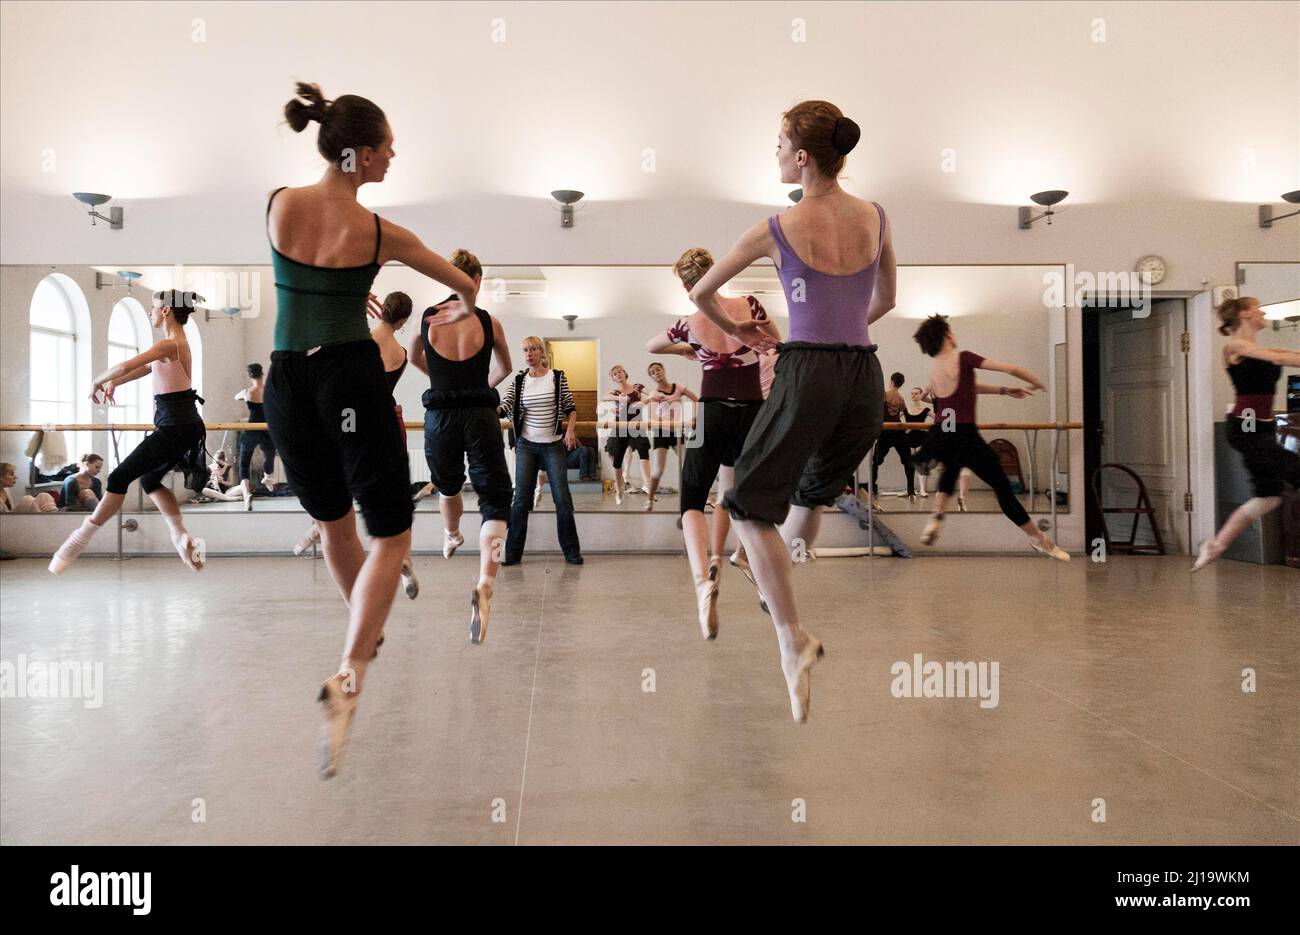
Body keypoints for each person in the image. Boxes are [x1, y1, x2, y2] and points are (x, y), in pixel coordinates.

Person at [266, 82, 479, 778]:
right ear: (358, 154)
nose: (394, 154)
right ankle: (352, 668)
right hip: (350, 381)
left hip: (286, 383)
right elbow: (463, 286)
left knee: (334, 524)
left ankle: (365, 632)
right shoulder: (381, 232)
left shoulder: (280, 205)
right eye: (386, 145)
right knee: (391, 532)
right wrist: (454, 307)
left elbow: (309, 275)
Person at [686, 100, 895, 722]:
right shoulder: (877, 216)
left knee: (745, 504)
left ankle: (791, 635)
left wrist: (746, 334)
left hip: (806, 372)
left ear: (801, 156)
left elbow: (700, 292)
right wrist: (843, 332)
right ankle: (773, 575)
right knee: (809, 497)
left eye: (778, 143)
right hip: (864, 377)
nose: (774, 153)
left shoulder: (776, 227)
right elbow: (887, 298)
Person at [650, 246, 778, 638]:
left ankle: (702, 579)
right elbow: (776, 343)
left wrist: (686, 348)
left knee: (691, 498)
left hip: (710, 413)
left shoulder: (690, 321)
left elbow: (652, 345)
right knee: (740, 496)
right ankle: (752, 568)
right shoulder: (749, 304)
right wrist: (754, 341)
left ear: (689, 285)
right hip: (751, 414)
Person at [50, 290, 208, 574]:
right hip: (181, 426)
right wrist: (116, 384)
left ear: (166, 310)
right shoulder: (174, 346)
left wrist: (98, 379)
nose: (150, 312)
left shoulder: (170, 344)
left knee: (119, 477)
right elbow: (145, 369)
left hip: (176, 427)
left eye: (153, 307)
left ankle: (78, 540)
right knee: (150, 480)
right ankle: (180, 536)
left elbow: (127, 364)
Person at [410, 247, 514, 640]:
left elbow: (411, 356)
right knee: (494, 499)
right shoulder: (490, 323)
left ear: (443, 278)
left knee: (448, 483)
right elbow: (505, 368)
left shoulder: (429, 319)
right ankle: (486, 582)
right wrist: (478, 388)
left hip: (440, 416)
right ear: (478, 282)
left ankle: (452, 535)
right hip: (481, 415)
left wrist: (440, 379)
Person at [912, 314, 1068, 559]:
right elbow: (1011, 368)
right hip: (964, 432)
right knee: (1001, 487)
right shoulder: (964, 358)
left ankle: (937, 514)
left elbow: (963, 390)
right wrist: (1037, 381)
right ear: (947, 334)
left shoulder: (934, 370)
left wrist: (1004, 391)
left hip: (942, 431)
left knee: (951, 467)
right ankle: (1039, 539)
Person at [1193, 296, 1300, 571]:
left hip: (1261, 427)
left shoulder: (1257, 348)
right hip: (1246, 427)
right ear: (1244, 315)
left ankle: (1215, 545)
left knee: (1270, 495)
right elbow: (1279, 358)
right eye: (1257, 308)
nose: (1262, 311)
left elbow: (1289, 356)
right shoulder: (1235, 347)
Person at [498, 335, 584, 564]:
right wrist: (485, 403)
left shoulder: (557, 377)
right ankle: (513, 554)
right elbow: (505, 407)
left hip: (553, 445)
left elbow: (571, 408)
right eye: (525, 349)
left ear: (542, 352)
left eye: (534, 349)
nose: (529, 353)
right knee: (521, 500)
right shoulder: (518, 381)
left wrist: (570, 431)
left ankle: (572, 552)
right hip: (526, 445)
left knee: (562, 499)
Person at [643, 361, 699, 511]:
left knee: (688, 464)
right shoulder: (655, 394)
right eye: (653, 372)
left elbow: (696, 399)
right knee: (658, 470)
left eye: (658, 369)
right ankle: (650, 499)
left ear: (663, 370)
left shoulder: (678, 388)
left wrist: (695, 418)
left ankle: (691, 498)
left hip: (677, 431)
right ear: (652, 377)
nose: (657, 373)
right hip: (661, 432)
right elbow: (653, 417)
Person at [600, 365, 651, 505]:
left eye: (620, 372)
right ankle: (620, 486)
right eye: (615, 374)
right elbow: (604, 397)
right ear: (613, 378)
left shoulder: (637, 387)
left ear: (625, 373)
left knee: (643, 449)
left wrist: (644, 401)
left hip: (636, 424)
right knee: (614, 455)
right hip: (621, 425)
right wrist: (617, 398)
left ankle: (648, 485)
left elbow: (652, 395)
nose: (618, 375)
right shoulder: (615, 392)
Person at [234, 363, 279, 509]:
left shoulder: (247, 392)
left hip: (252, 428)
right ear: (262, 374)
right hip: (265, 428)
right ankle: (267, 477)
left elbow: (236, 397)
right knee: (270, 453)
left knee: (244, 463)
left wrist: (243, 397)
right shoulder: (269, 391)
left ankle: (247, 493)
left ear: (249, 376)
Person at [869, 372, 912, 509]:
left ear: (892, 381)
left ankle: (872, 488)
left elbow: (876, 411)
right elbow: (908, 417)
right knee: (907, 460)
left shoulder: (884, 394)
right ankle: (911, 490)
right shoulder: (901, 398)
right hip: (898, 433)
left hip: (885, 433)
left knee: (876, 461)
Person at [903, 387, 932, 498]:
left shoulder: (925, 410)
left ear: (920, 395)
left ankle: (922, 489)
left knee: (921, 462)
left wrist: (927, 428)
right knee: (909, 463)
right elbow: (896, 420)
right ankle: (910, 489)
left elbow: (938, 418)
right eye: (912, 394)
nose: (913, 395)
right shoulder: (905, 409)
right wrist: (904, 429)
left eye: (916, 393)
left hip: (921, 437)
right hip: (908, 438)